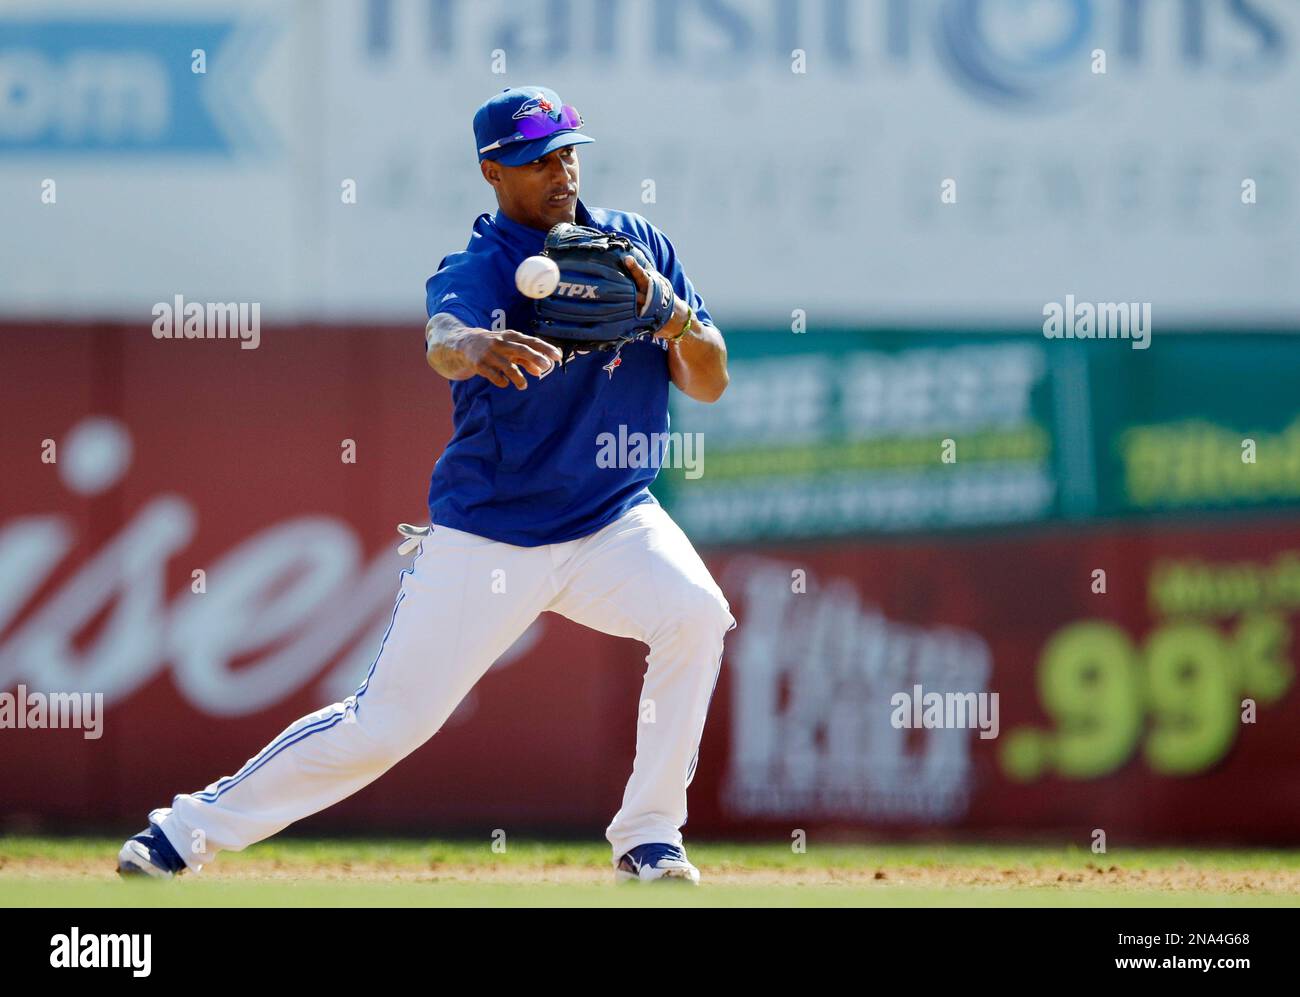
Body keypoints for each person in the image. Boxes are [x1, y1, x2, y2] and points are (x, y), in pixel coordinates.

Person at [117, 85, 734, 886]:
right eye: (536, 160)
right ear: (492, 171)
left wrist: (671, 312)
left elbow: (710, 380)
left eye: (568, 152)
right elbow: (443, 337)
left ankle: (650, 836)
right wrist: (475, 343)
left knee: (697, 616)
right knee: (384, 726)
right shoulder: (480, 268)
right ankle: (181, 831)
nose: (559, 172)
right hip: (492, 531)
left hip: (613, 519)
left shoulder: (636, 246)